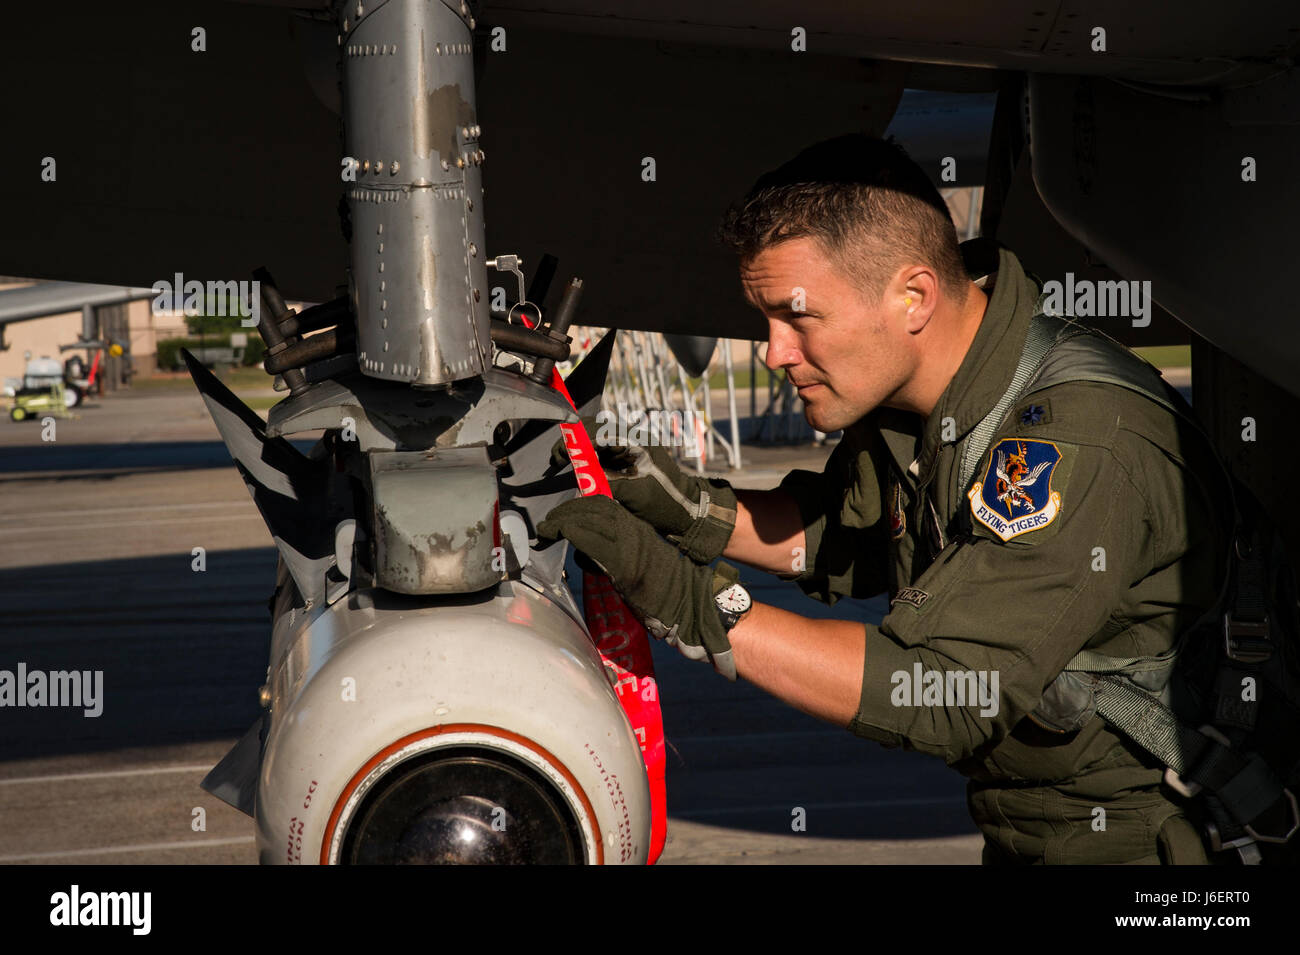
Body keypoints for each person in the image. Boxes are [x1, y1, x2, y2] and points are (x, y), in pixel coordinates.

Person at [538, 134, 1232, 864]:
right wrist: (689, 507)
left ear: (913, 297)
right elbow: (848, 535)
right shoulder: (922, 398)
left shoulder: (1075, 442)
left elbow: (946, 691)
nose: (774, 351)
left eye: (798, 317)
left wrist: (696, 605)